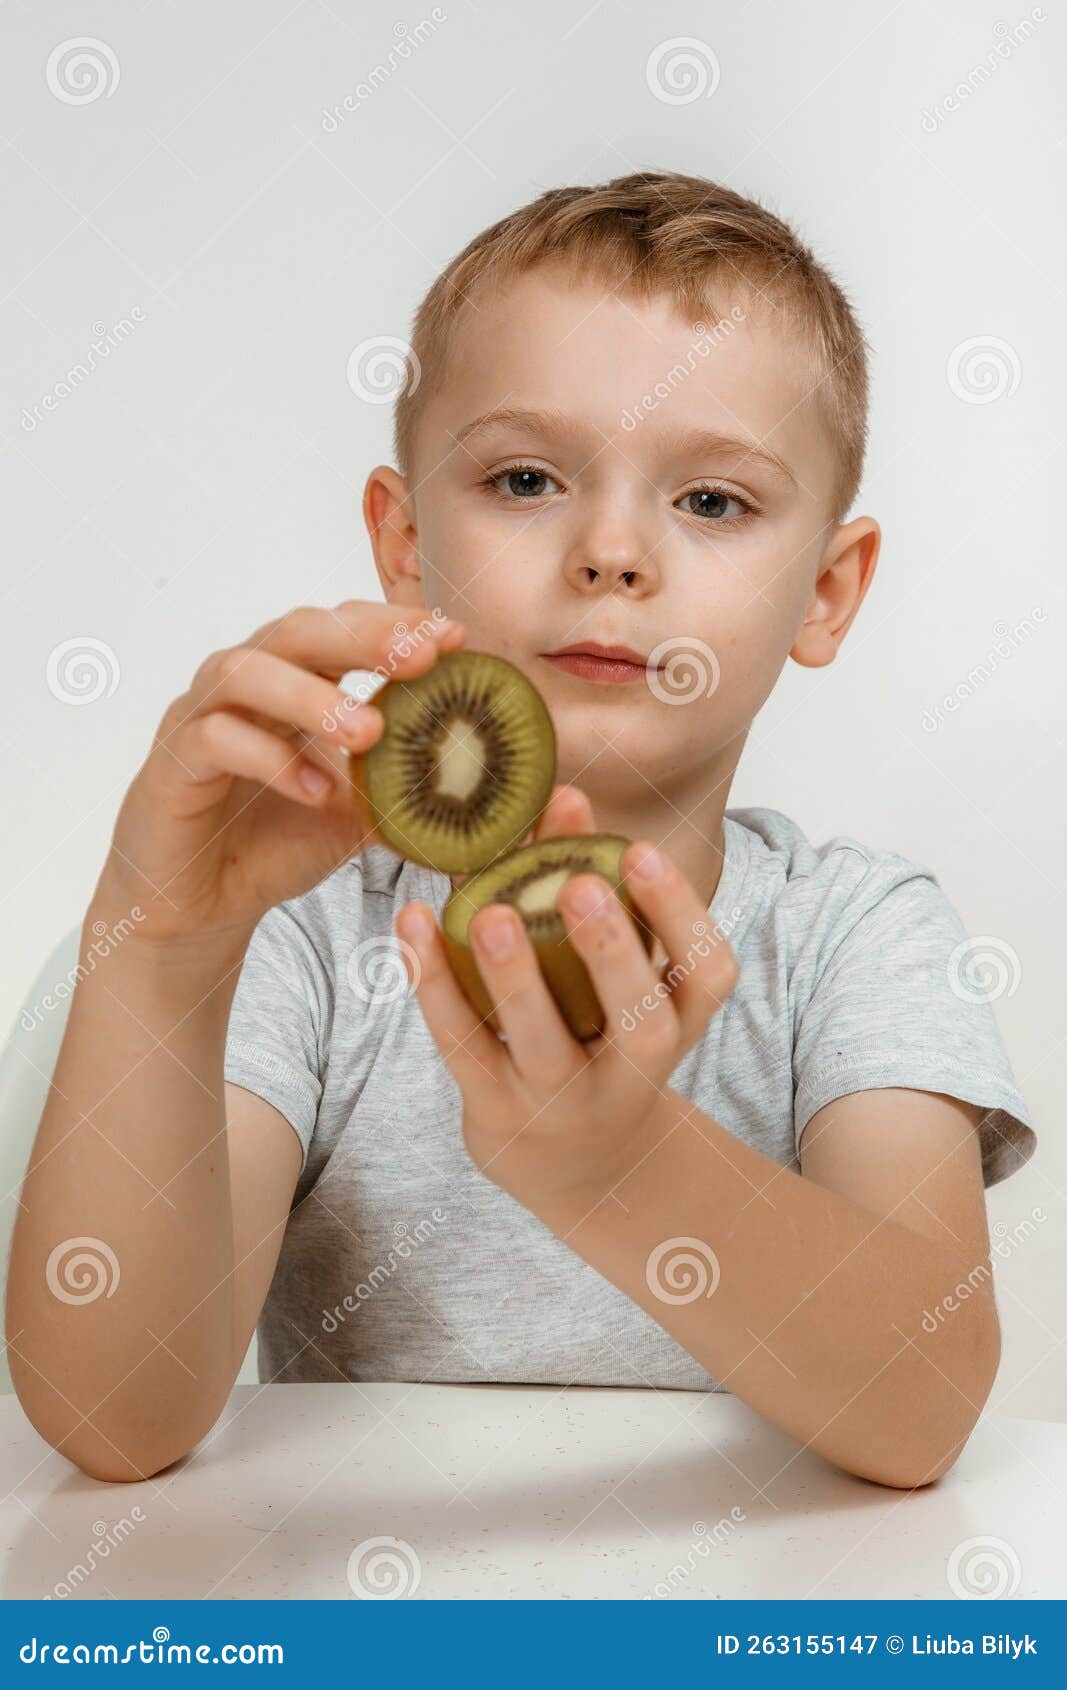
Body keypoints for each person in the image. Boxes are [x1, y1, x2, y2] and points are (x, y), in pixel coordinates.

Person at [7, 171, 1036, 1491]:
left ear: (826, 591)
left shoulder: (856, 934)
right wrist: (156, 950)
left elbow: (924, 1407)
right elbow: (115, 1419)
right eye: (527, 476)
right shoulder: (305, 934)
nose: (611, 550)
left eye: (713, 501)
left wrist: (620, 1168)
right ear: (405, 541)